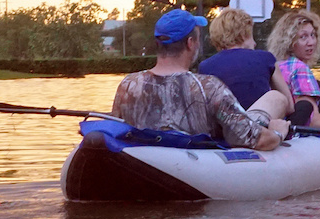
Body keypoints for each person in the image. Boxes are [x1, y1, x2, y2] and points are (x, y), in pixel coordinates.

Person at [111, 8, 290, 152]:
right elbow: (256, 139)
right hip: (195, 165)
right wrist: (277, 132)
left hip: (149, 158)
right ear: (190, 43)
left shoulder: (128, 85)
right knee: (276, 98)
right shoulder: (208, 87)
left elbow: (117, 130)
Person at [198, 7, 294, 121]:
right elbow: (289, 106)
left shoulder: (205, 67)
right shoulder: (266, 59)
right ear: (244, 35)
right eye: (251, 36)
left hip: (223, 130)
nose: (254, 43)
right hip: (258, 130)